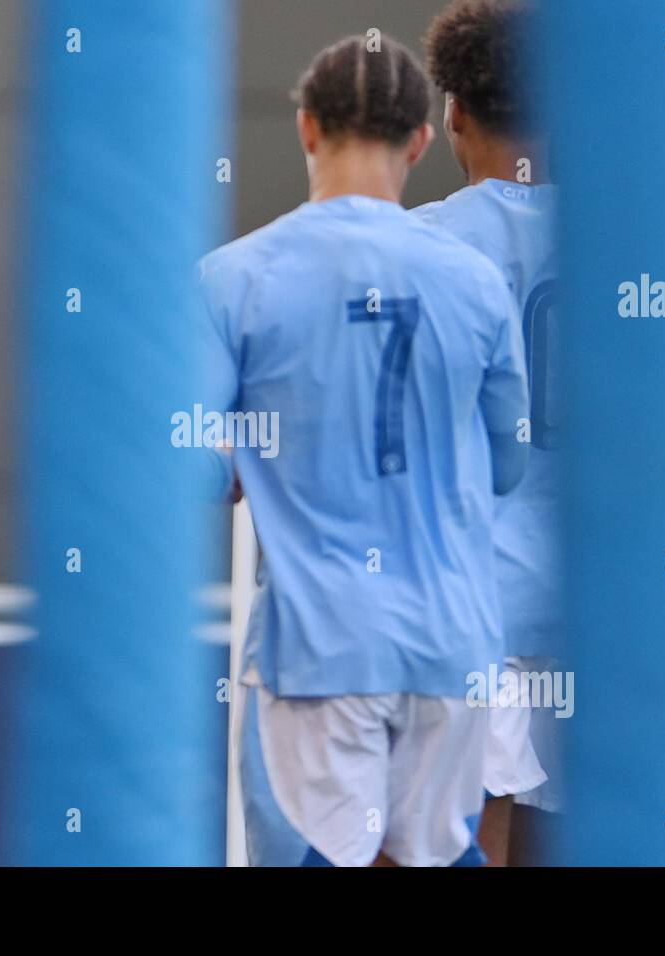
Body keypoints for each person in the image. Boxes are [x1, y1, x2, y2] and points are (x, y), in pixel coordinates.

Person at [198, 35, 528, 866]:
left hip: (318, 645)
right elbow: (509, 460)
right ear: (421, 139)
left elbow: (195, 469)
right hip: (453, 639)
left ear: (308, 128)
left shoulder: (235, 278)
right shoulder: (475, 279)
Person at [415, 0, 564, 866]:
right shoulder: (627, 247)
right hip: (599, 605)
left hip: (476, 608)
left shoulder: (415, 248)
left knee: (477, 846)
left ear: (452, 112)